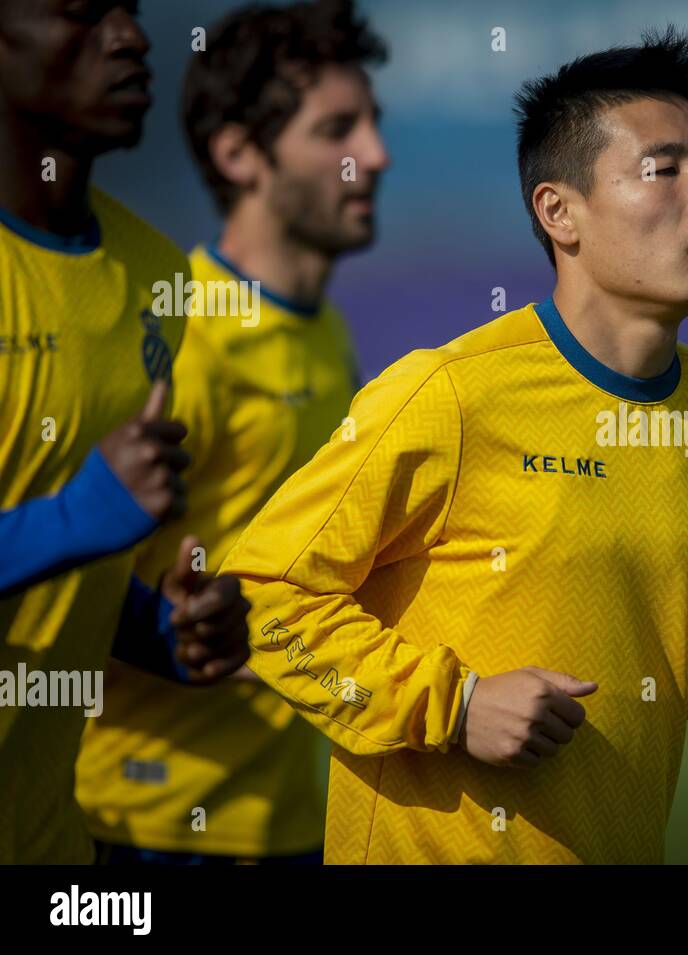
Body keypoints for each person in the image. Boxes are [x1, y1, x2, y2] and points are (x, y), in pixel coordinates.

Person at [221, 26, 688, 863]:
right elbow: (263, 598)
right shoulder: (451, 393)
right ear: (559, 211)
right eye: (664, 169)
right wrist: (457, 706)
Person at [77, 0, 387, 865]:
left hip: (286, 825)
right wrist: (187, 633)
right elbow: (62, 600)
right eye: (338, 129)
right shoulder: (183, 340)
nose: (377, 154)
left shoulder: (324, 332)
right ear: (239, 154)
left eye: (372, 122)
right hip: (141, 832)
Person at [0, 0, 249, 864]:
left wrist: (163, 629)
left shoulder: (156, 273)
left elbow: (58, 578)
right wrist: (81, 517)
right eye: (79, 11)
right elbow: (73, 520)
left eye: (132, 11)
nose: (132, 39)